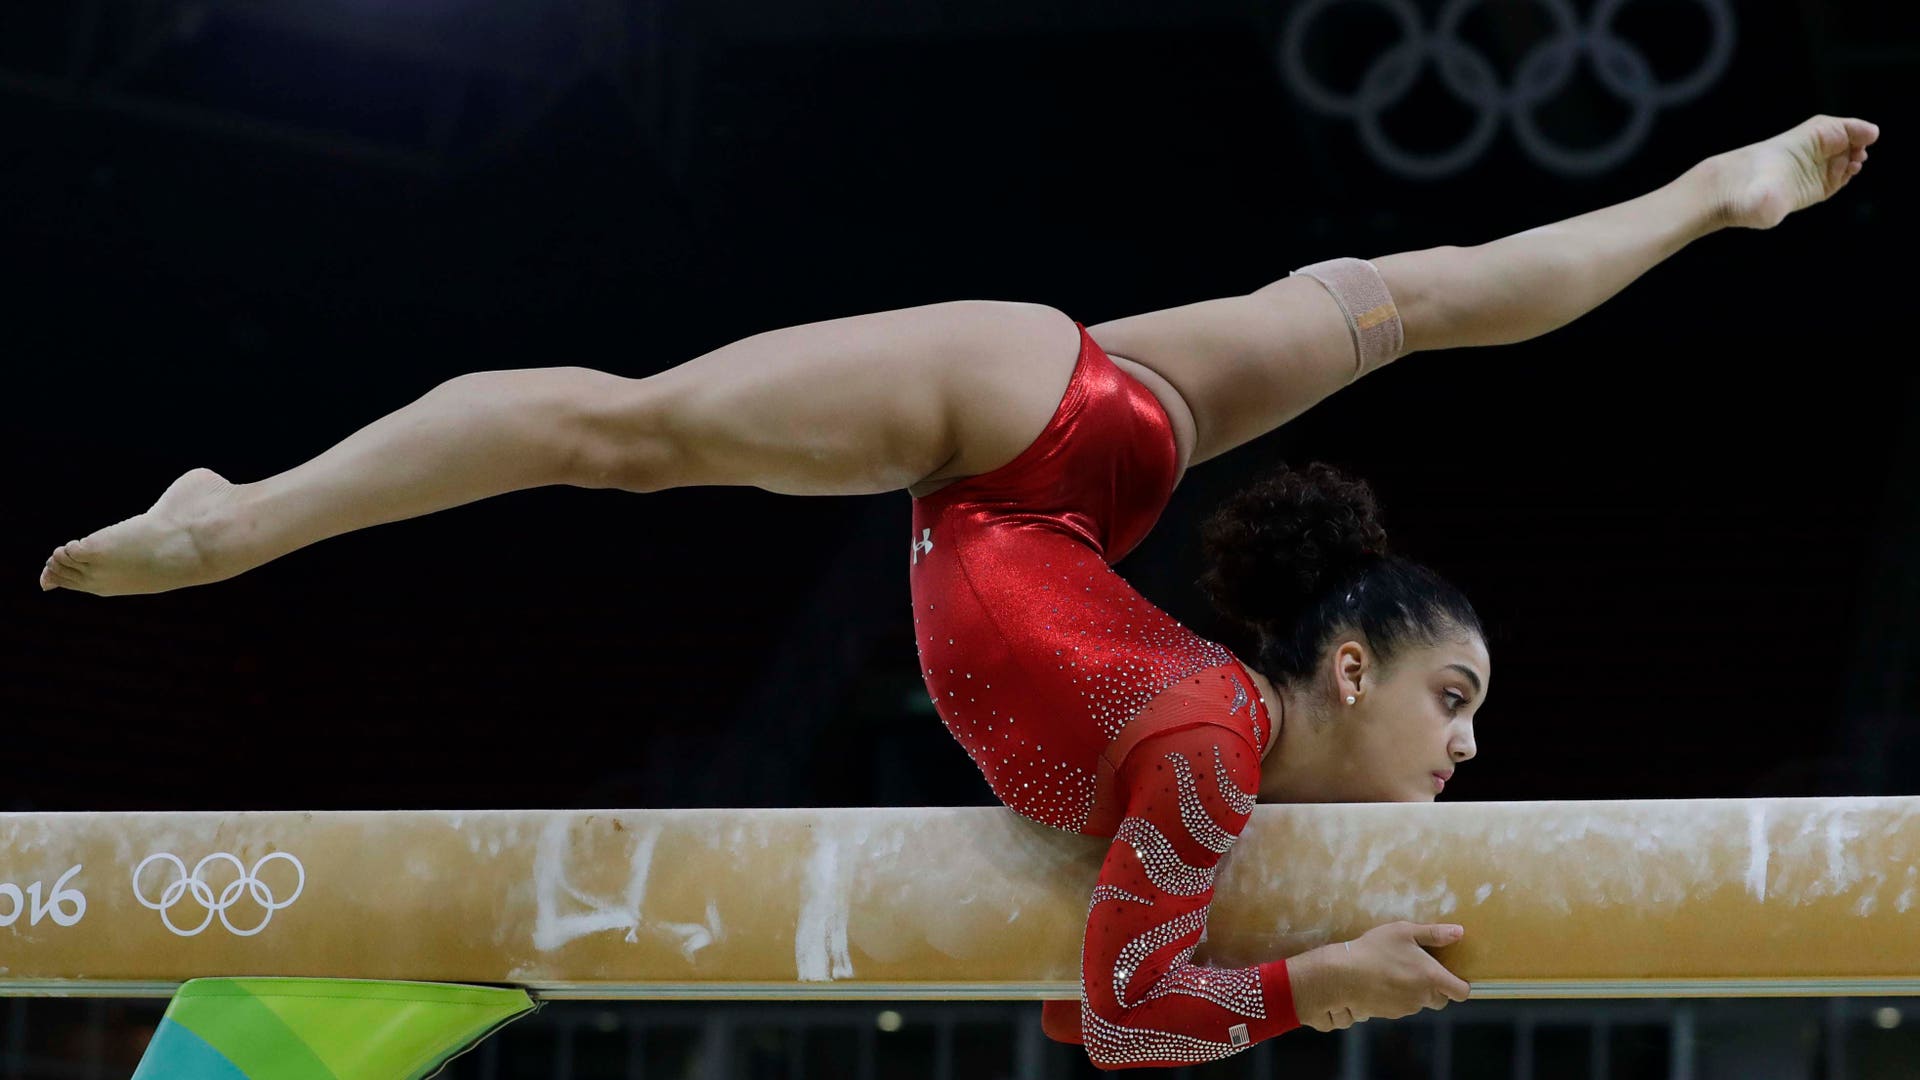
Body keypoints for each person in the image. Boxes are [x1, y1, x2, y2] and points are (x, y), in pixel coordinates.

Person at [38, 115, 1876, 1068]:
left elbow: (1093, 1009)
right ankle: (242, 516)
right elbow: (1130, 1016)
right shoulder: (1214, 746)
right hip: (1008, 429)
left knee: (1430, 297)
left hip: (1094, 466)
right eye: (1454, 695)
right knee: (627, 433)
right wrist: (1327, 985)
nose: (1471, 744)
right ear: (1338, 663)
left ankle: (1716, 193)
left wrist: (1292, 969)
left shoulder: (1210, 757)